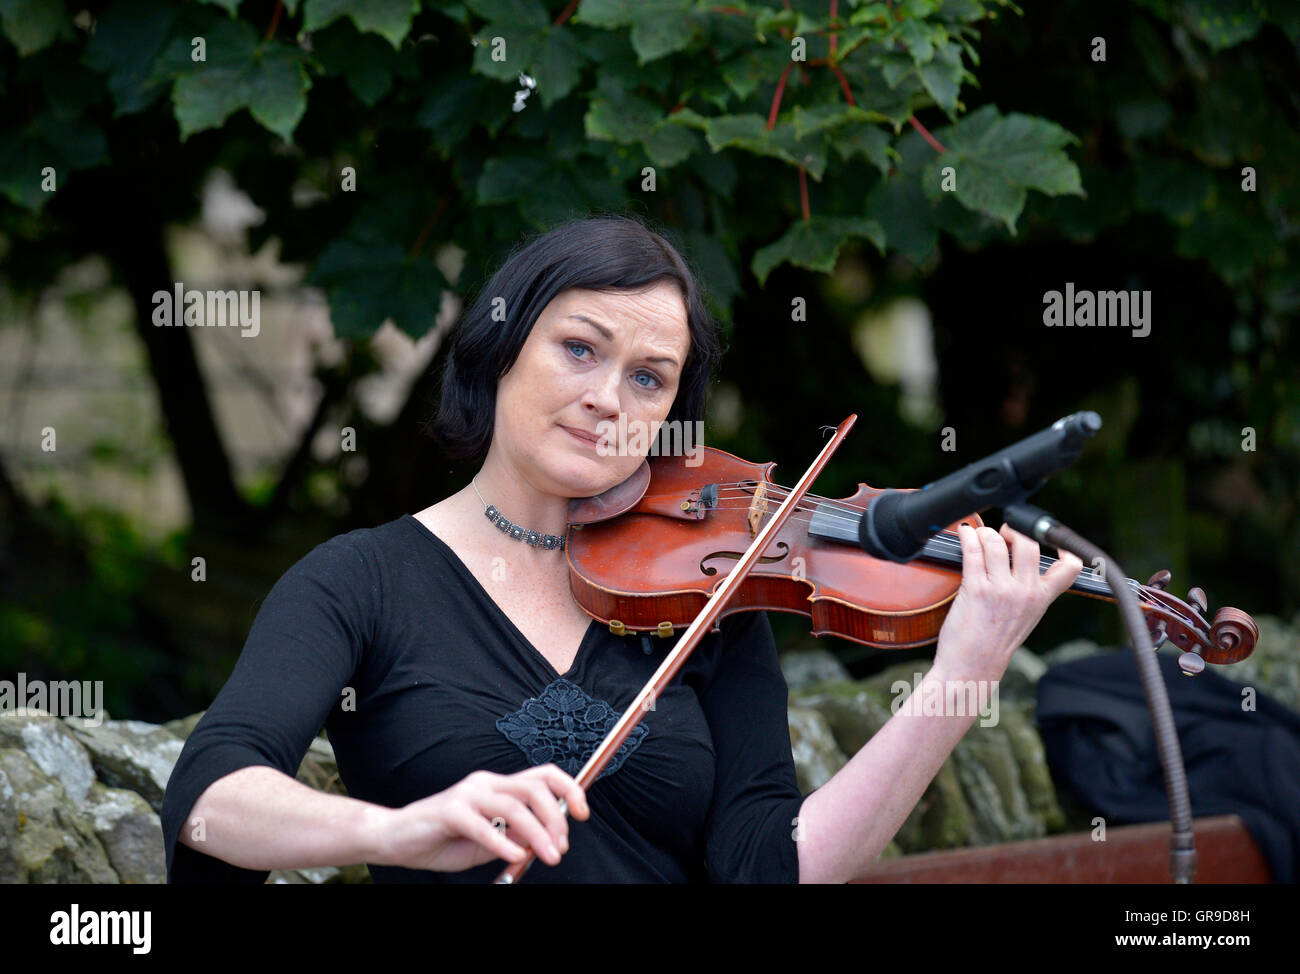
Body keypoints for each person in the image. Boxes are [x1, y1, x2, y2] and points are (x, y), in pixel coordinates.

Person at [160, 213, 1083, 884]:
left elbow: (772, 868)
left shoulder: (714, 599)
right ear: (502, 346)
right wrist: (399, 829)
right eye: (579, 350)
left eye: (649, 379)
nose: (610, 399)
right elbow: (211, 796)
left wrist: (963, 676)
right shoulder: (359, 584)